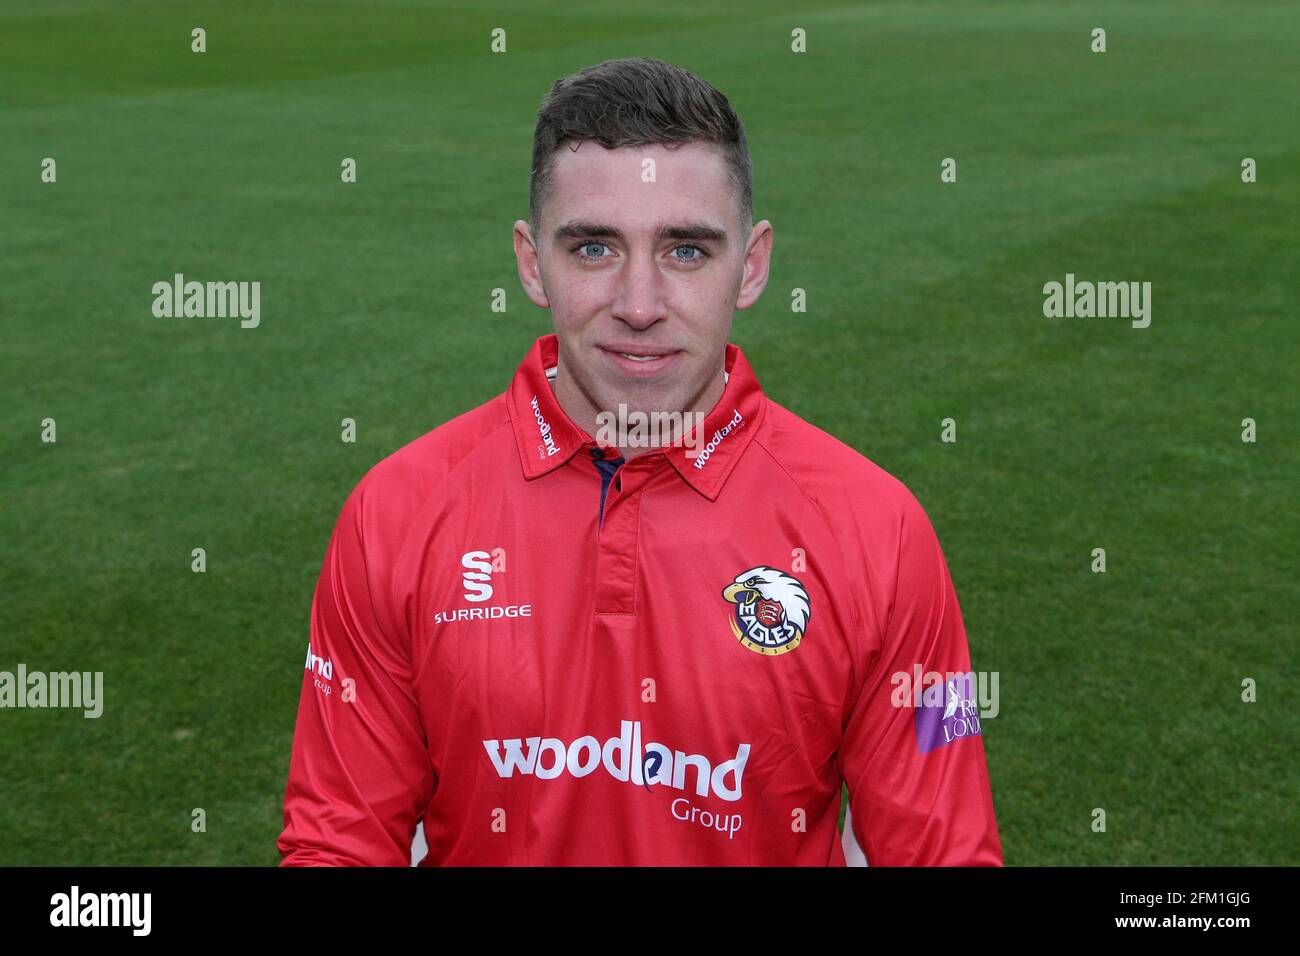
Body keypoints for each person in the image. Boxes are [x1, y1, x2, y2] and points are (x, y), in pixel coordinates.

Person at [277, 56, 1003, 866]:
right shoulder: (397, 513)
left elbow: (945, 853)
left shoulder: (880, 531)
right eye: (593, 248)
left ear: (752, 265)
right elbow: (336, 843)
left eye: (686, 251)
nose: (639, 304)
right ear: (530, 262)